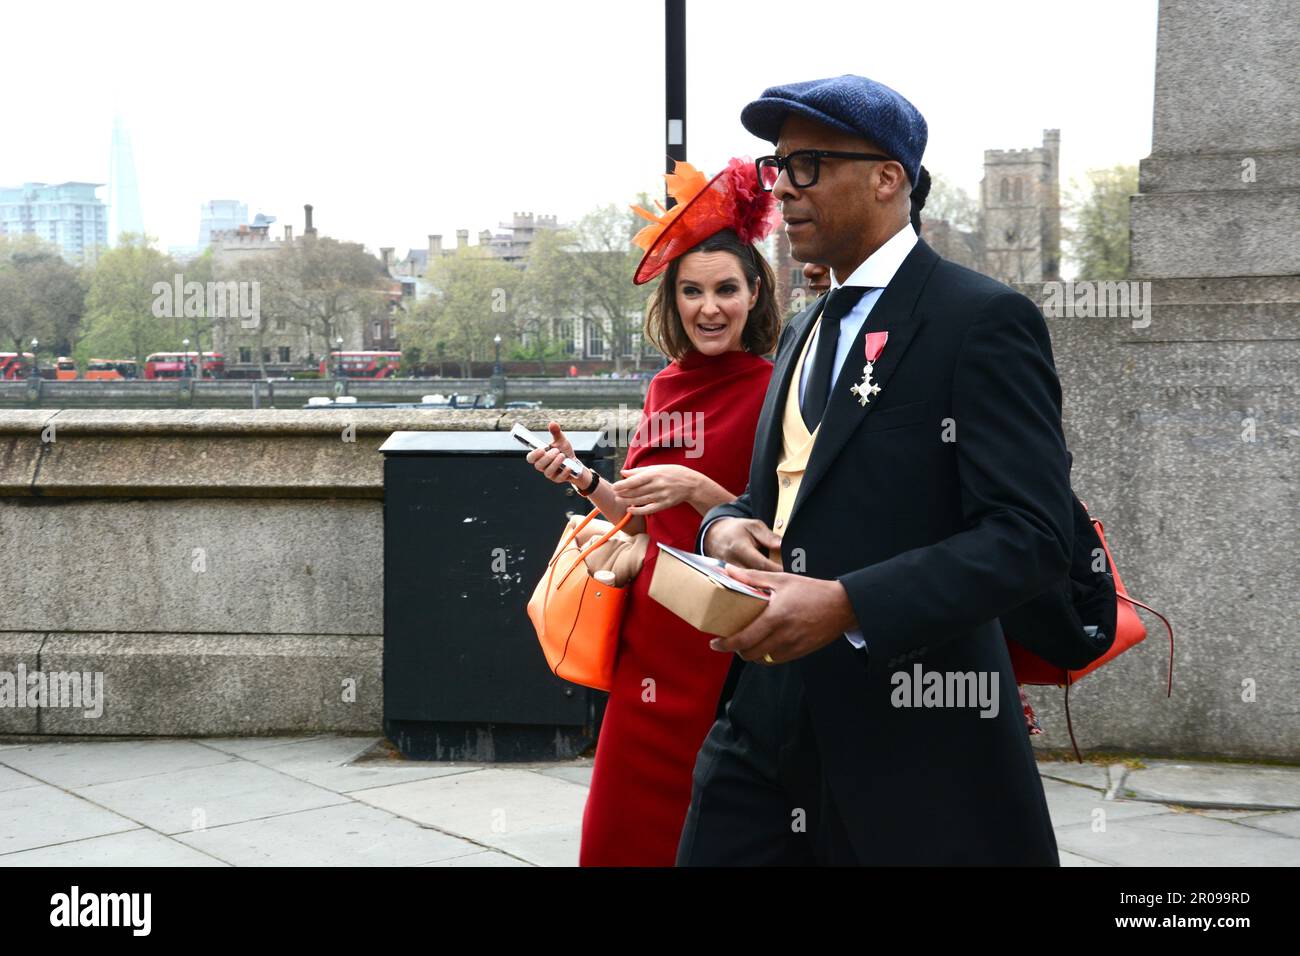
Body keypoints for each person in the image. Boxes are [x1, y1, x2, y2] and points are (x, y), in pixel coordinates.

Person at [678, 75, 1072, 866]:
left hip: (909, 735)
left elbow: (1032, 537)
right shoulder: (803, 330)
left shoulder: (981, 319)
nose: (781, 189)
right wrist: (722, 528)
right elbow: (771, 499)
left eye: (808, 165)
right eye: (777, 166)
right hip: (761, 717)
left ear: (889, 178)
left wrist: (850, 604)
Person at [524, 157, 782, 865]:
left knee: (713, 835)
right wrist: (584, 480)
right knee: (619, 833)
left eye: (726, 289)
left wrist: (698, 490)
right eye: (692, 291)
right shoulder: (665, 386)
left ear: (755, 293)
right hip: (650, 640)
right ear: (673, 299)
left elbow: (779, 535)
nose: (709, 308)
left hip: (724, 645)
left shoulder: (776, 393)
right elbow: (638, 521)